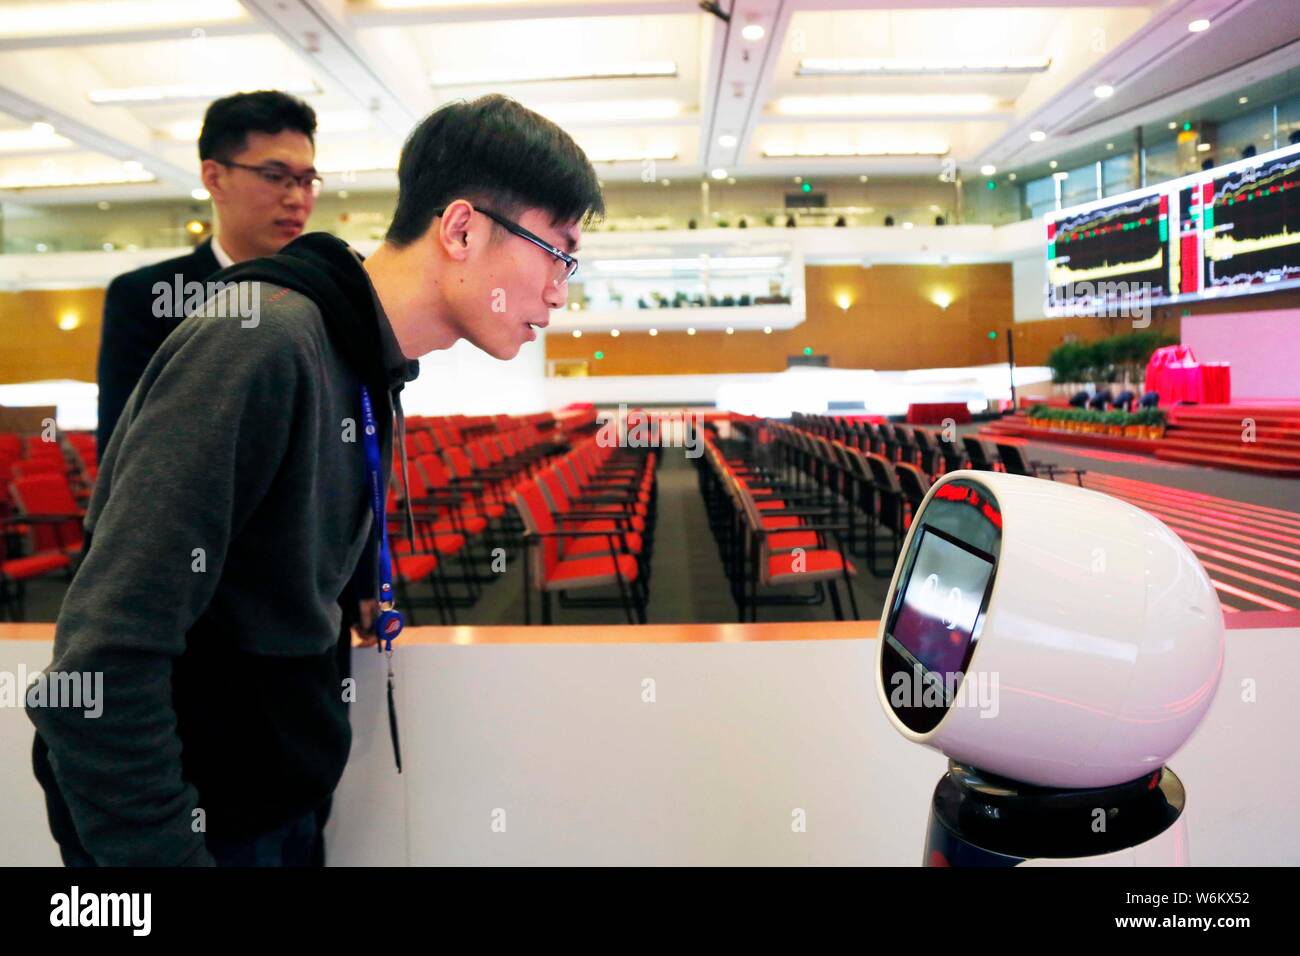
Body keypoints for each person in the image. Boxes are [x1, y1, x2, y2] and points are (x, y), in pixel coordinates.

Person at [27, 93, 604, 866]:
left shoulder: (367, 361)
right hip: (194, 825)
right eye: (557, 251)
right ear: (462, 229)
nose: (561, 290)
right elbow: (103, 656)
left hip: (272, 802)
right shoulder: (262, 341)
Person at [95, 90, 319, 453]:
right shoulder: (148, 296)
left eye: (307, 180)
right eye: (274, 175)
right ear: (215, 178)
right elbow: (122, 445)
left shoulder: (324, 293)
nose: (296, 198)